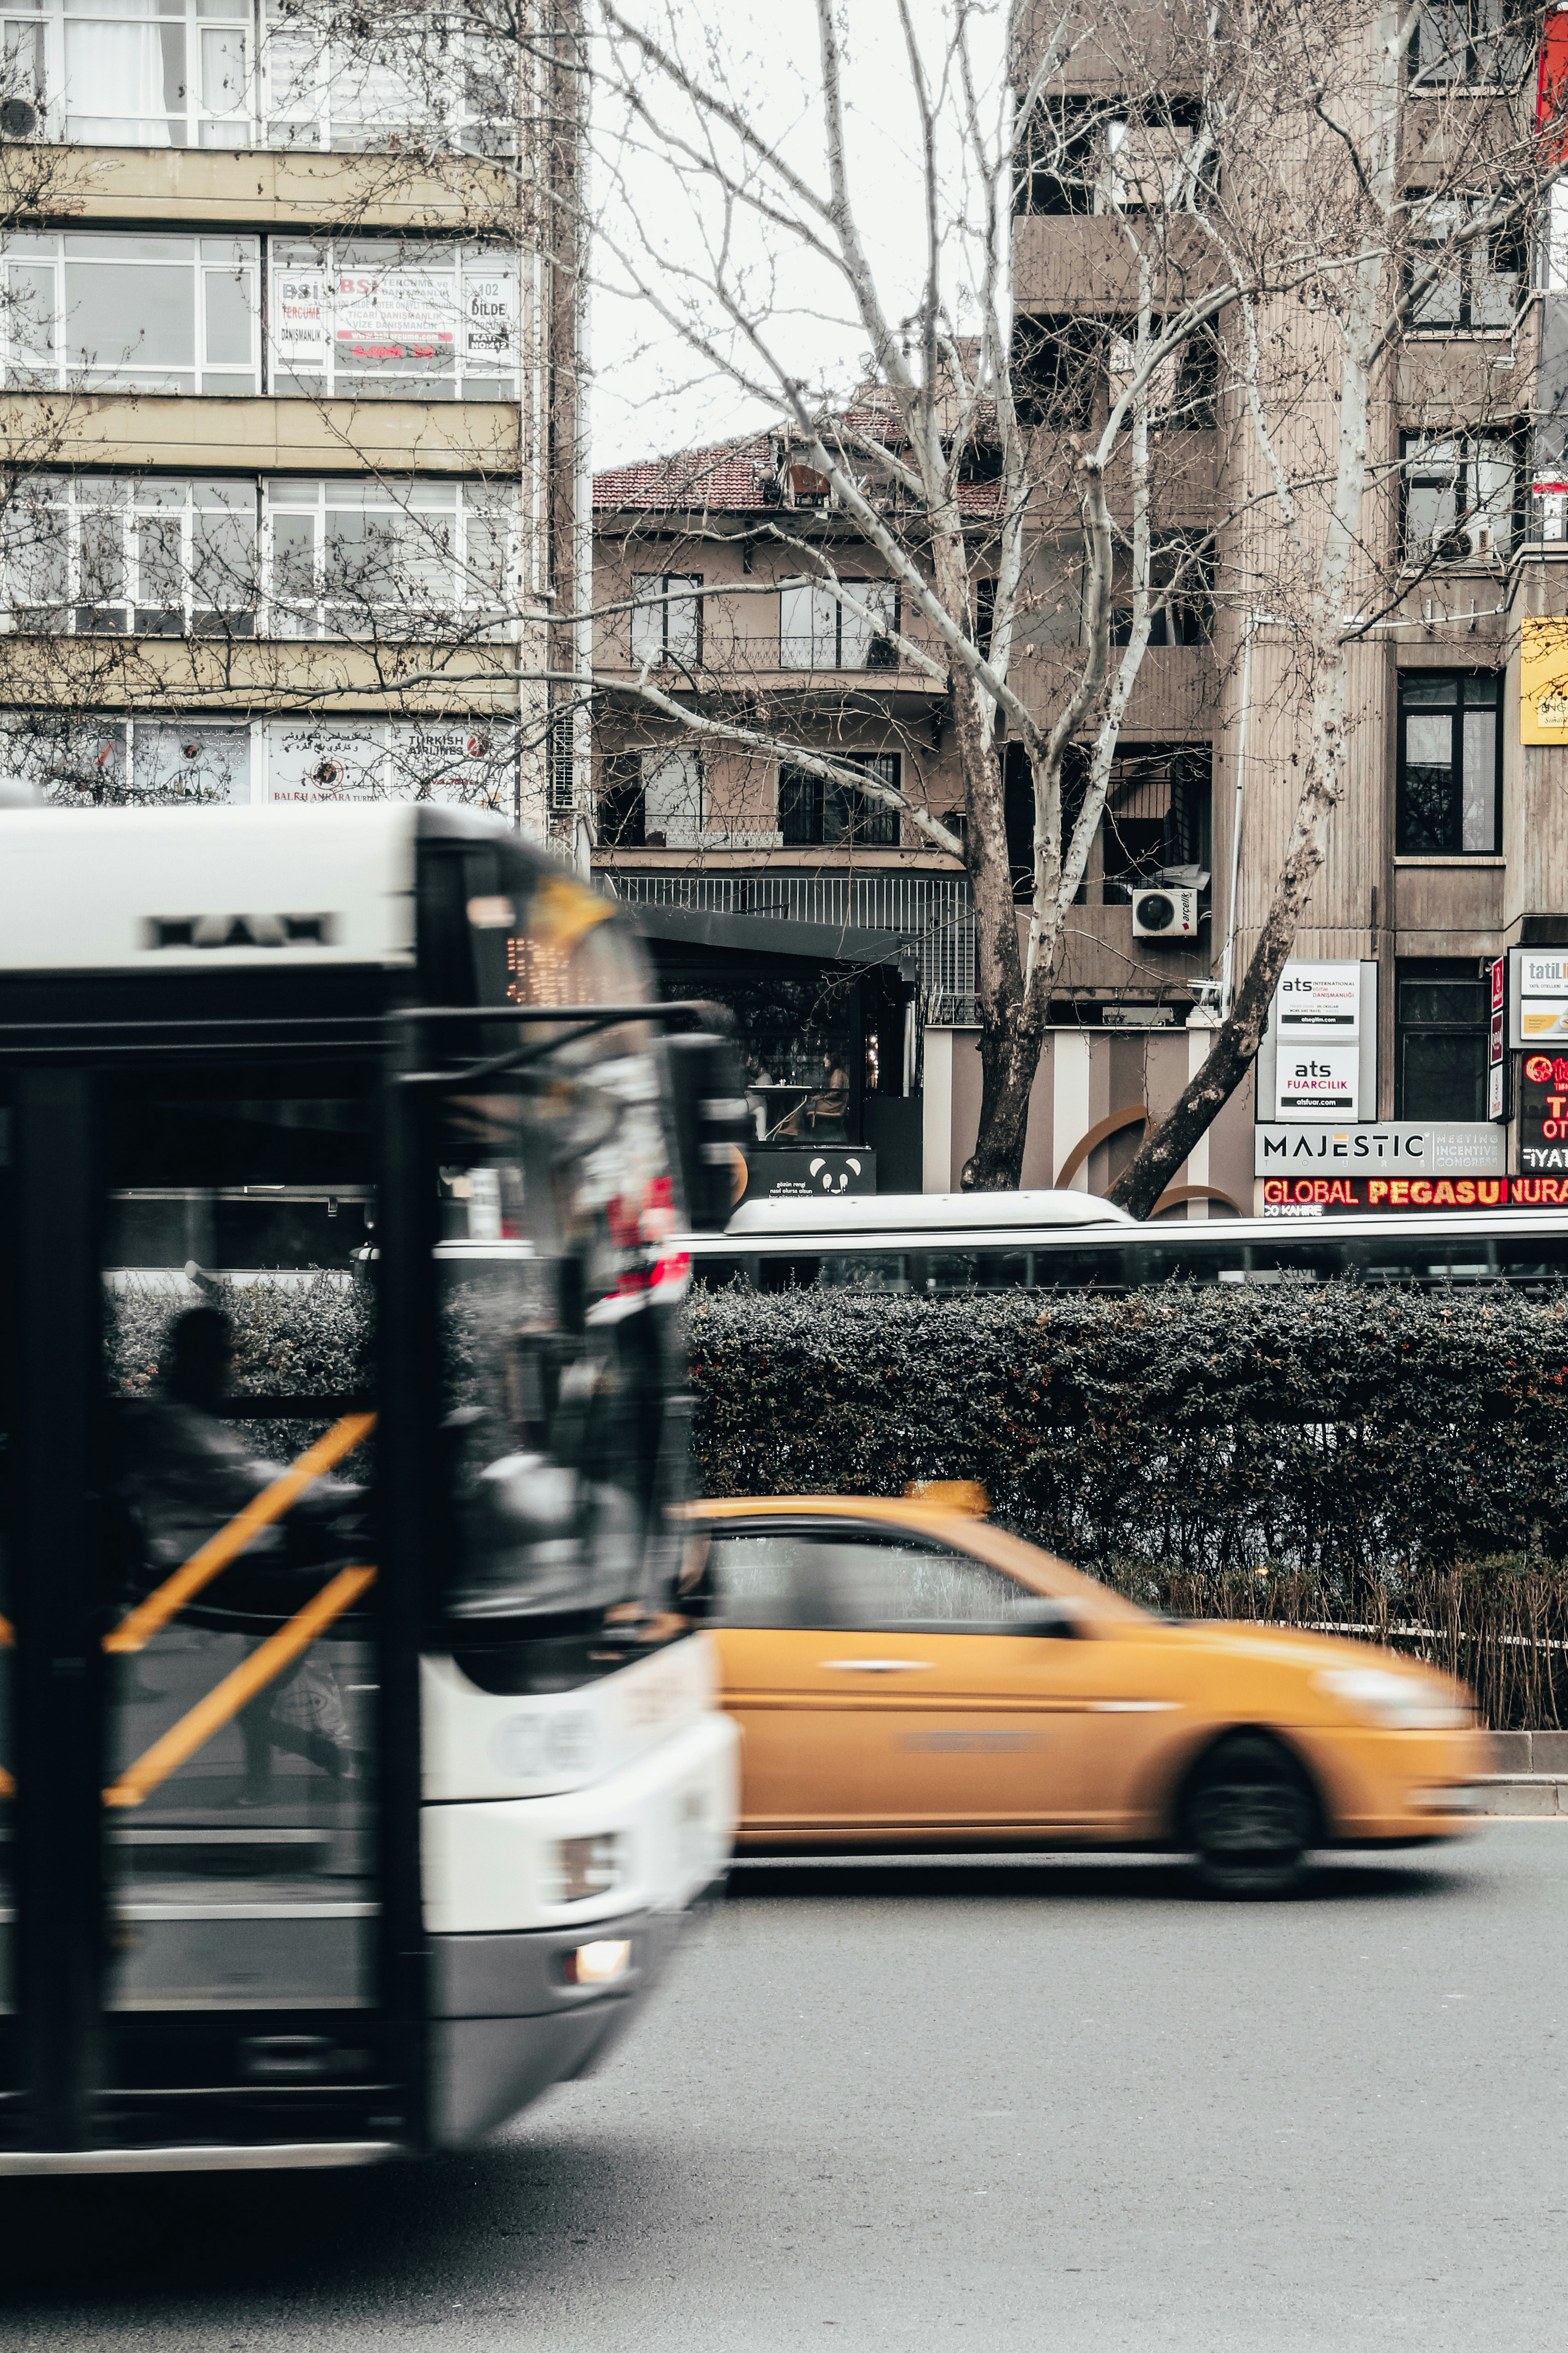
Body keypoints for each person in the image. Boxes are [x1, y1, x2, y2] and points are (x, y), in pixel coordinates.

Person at [119, 1306, 366, 1805]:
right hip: (226, 1575)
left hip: (244, 1567)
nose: (229, 1369)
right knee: (361, 1577)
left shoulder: (186, 1420)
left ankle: (286, 1778)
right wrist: (349, 1497)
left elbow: (249, 1484)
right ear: (190, 1359)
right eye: (220, 1356)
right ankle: (323, 1768)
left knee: (255, 1698)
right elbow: (248, 1483)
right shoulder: (171, 1423)